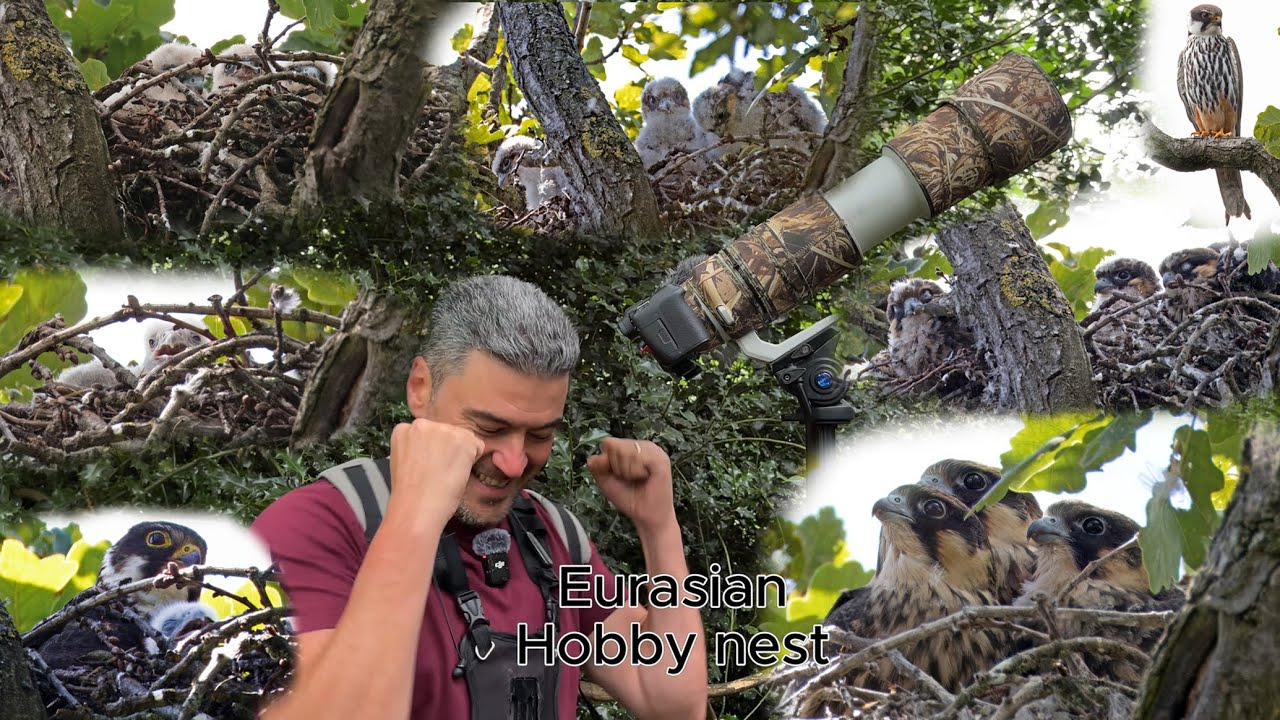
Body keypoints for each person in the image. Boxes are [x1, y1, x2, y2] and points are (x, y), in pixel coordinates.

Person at [251, 275, 707, 720]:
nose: (512, 463)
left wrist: (659, 528)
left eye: (539, 434)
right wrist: (417, 518)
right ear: (420, 389)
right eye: (488, 428)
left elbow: (671, 701)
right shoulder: (313, 529)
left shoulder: (551, 540)